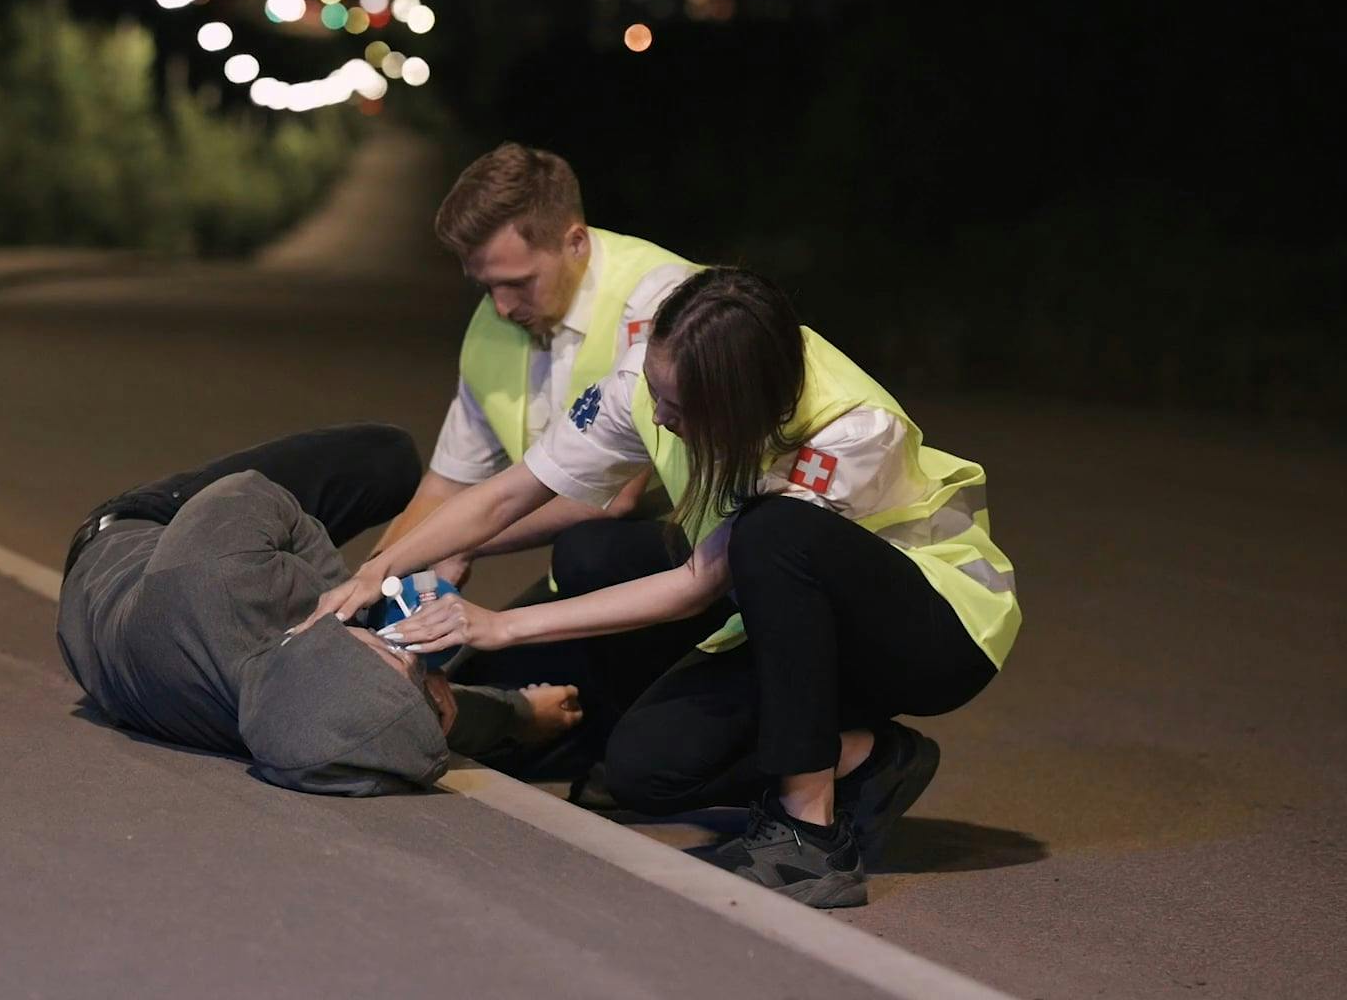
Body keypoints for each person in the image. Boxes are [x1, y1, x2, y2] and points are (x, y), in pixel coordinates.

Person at [299, 269, 1020, 906]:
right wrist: (377, 570)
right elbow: (510, 493)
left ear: (741, 410)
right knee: (648, 768)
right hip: (791, 610)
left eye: (677, 408)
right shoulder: (663, 372)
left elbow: (696, 583)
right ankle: (866, 756)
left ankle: (808, 837)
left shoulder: (849, 435)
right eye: (656, 390)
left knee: (772, 535)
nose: (659, 414)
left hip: (934, 630)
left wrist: (499, 625)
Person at [380, 142, 709, 772]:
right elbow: (443, 489)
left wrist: (467, 542)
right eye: (487, 286)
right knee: (474, 698)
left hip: (705, 558)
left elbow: (612, 499)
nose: (502, 307)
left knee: (585, 559)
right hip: (610, 568)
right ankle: (599, 732)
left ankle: (633, 739)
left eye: (517, 282)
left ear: (576, 242)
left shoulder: (660, 300)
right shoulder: (496, 323)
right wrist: (375, 590)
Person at [55, 424, 581, 796]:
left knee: (387, 459)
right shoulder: (293, 725)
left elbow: (251, 493)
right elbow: (411, 724)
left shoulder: (215, 571)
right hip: (132, 646)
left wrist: (357, 590)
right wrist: (520, 713)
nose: (416, 662)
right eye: (415, 678)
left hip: (138, 539)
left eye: (396, 657)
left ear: (326, 642)